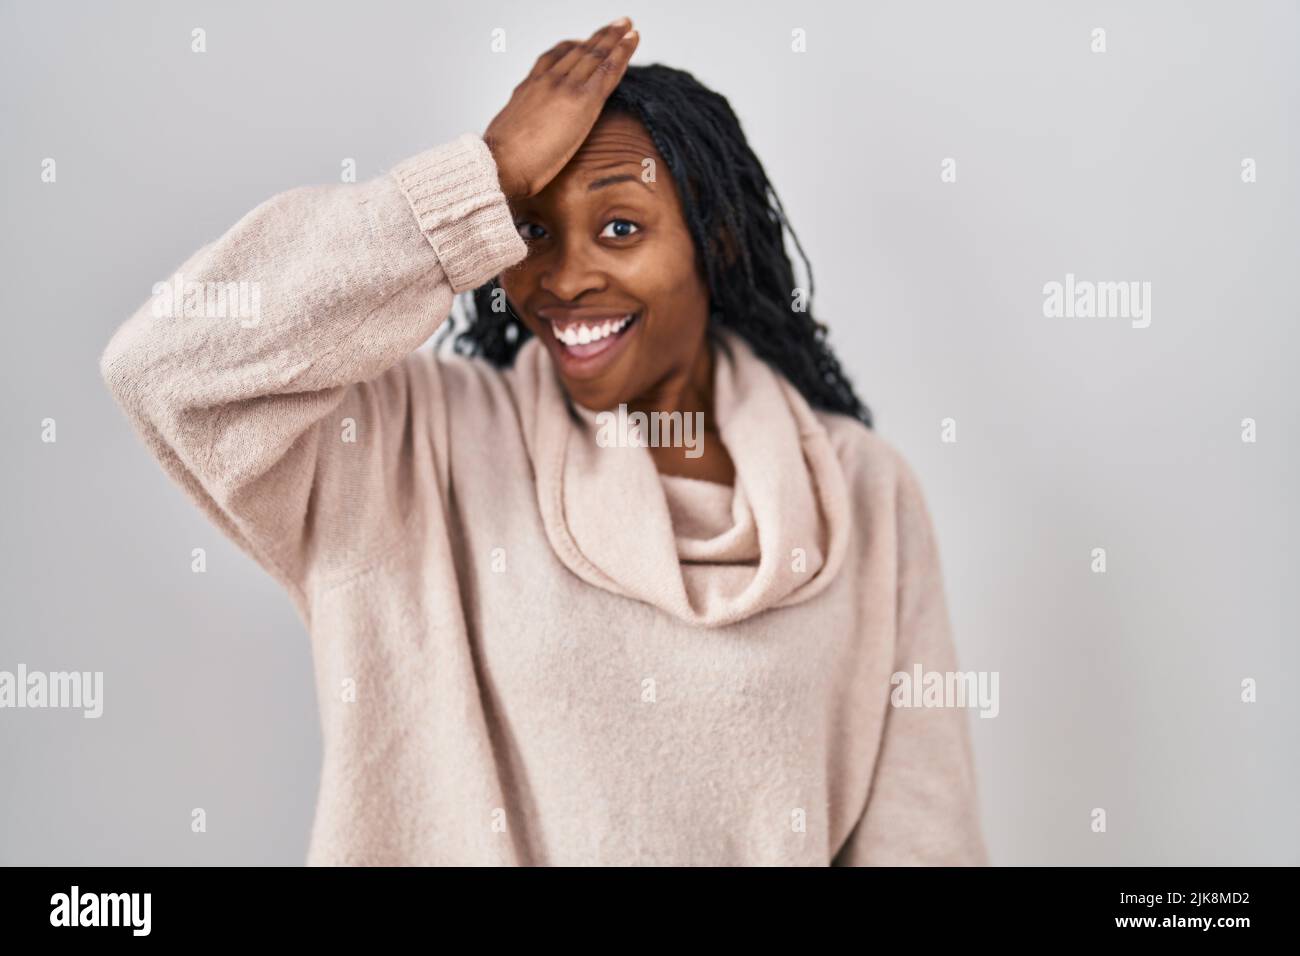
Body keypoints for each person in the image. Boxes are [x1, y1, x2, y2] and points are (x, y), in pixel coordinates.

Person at [100, 16, 989, 865]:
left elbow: (923, 839)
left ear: (714, 242)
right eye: (531, 229)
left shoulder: (860, 490)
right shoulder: (408, 452)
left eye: (620, 228)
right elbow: (168, 365)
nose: (562, 278)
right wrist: (481, 180)